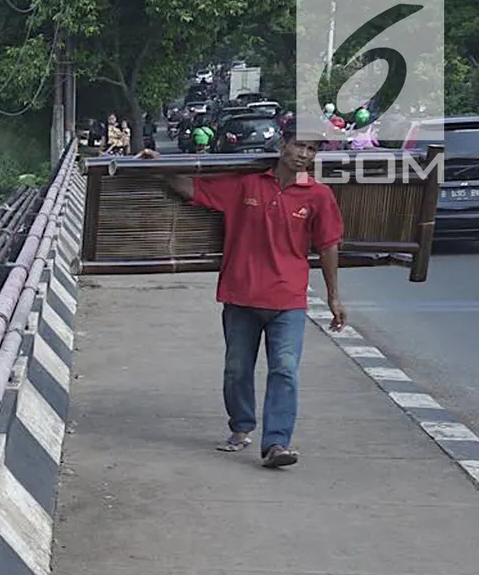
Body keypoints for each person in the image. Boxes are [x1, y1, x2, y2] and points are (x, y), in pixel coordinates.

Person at [138, 135, 345, 468]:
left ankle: (277, 444)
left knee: (285, 369)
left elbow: (328, 245)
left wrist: (334, 297)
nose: (303, 154)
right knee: (237, 369)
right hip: (240, 295)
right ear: (282, 146)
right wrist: (158, 166)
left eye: (312, 149)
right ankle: (241, 427)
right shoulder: (246, 185)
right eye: (299, 146)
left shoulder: (319, 195)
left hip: (288, 298)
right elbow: (193, 189)